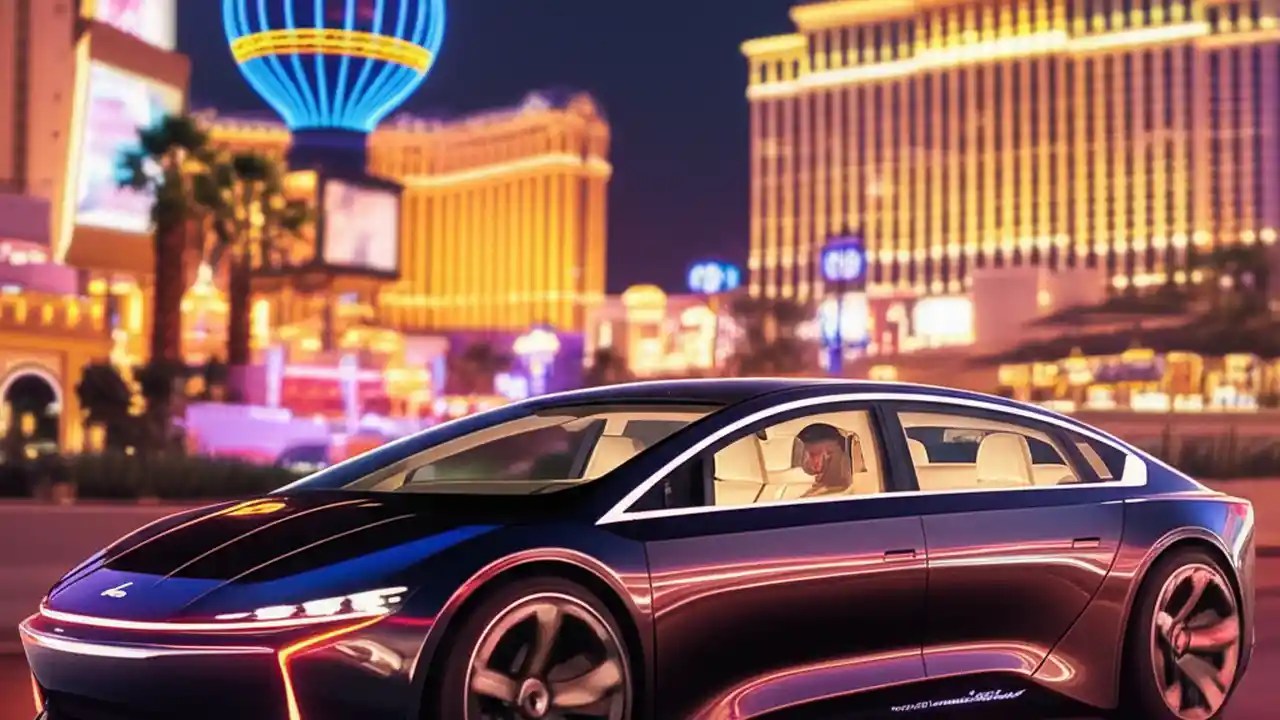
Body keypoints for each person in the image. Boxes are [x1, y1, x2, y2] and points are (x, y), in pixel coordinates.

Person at [795, 423, 858, 497]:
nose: (808, 460)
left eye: (813, 454)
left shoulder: (835, 495)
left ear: (829, 453)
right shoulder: (820, 491)